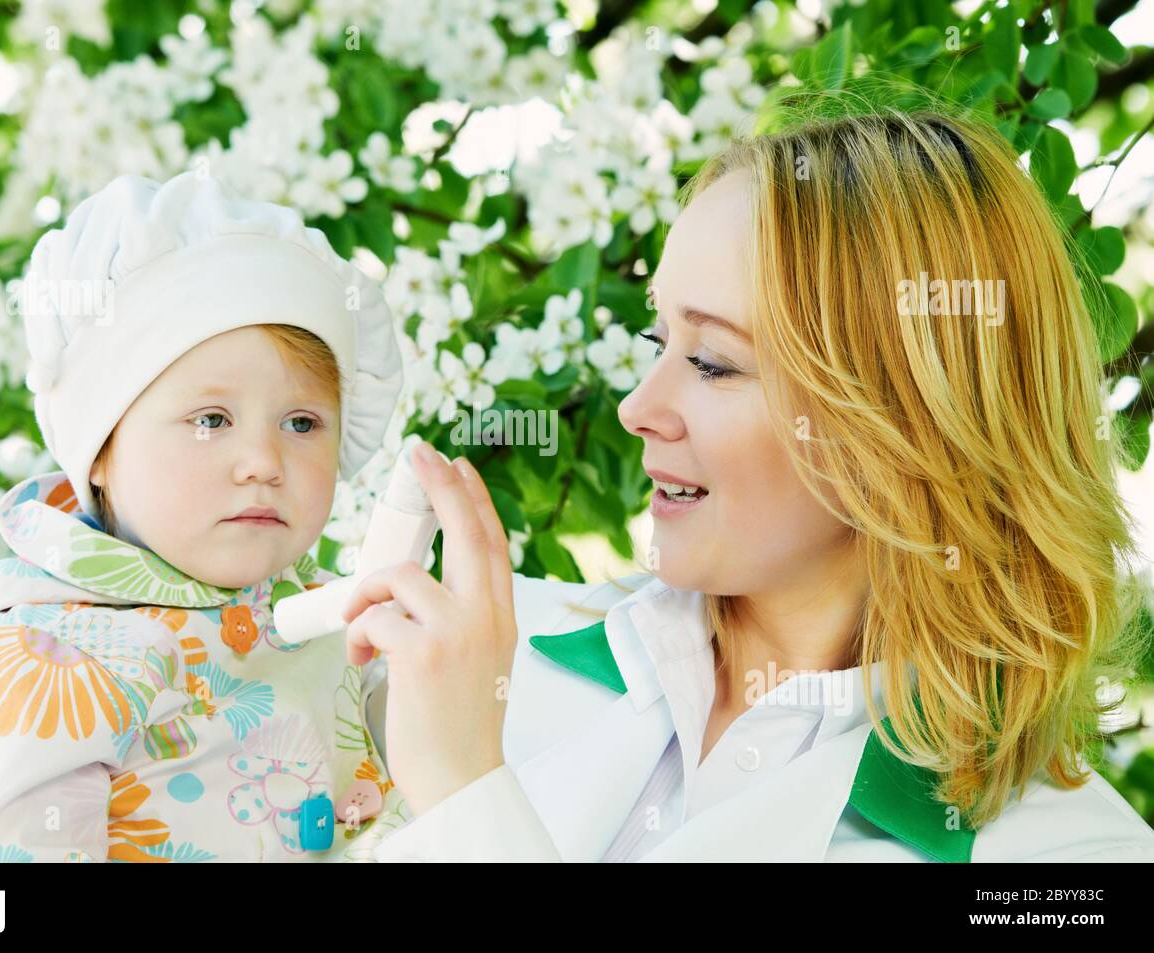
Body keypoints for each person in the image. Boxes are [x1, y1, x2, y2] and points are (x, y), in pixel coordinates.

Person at [346, 101, 1154, 862]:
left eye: (712, 362)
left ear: (907, 425)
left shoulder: (1066, 859)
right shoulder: (476, 655)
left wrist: (466, 798)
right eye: (655, 339)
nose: (636, 407)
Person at [0, 171, 412, 861]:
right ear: (100, 451)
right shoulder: (42, 661)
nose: (264, 460)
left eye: (302, 421)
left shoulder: (342, 624)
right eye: (211, 418)